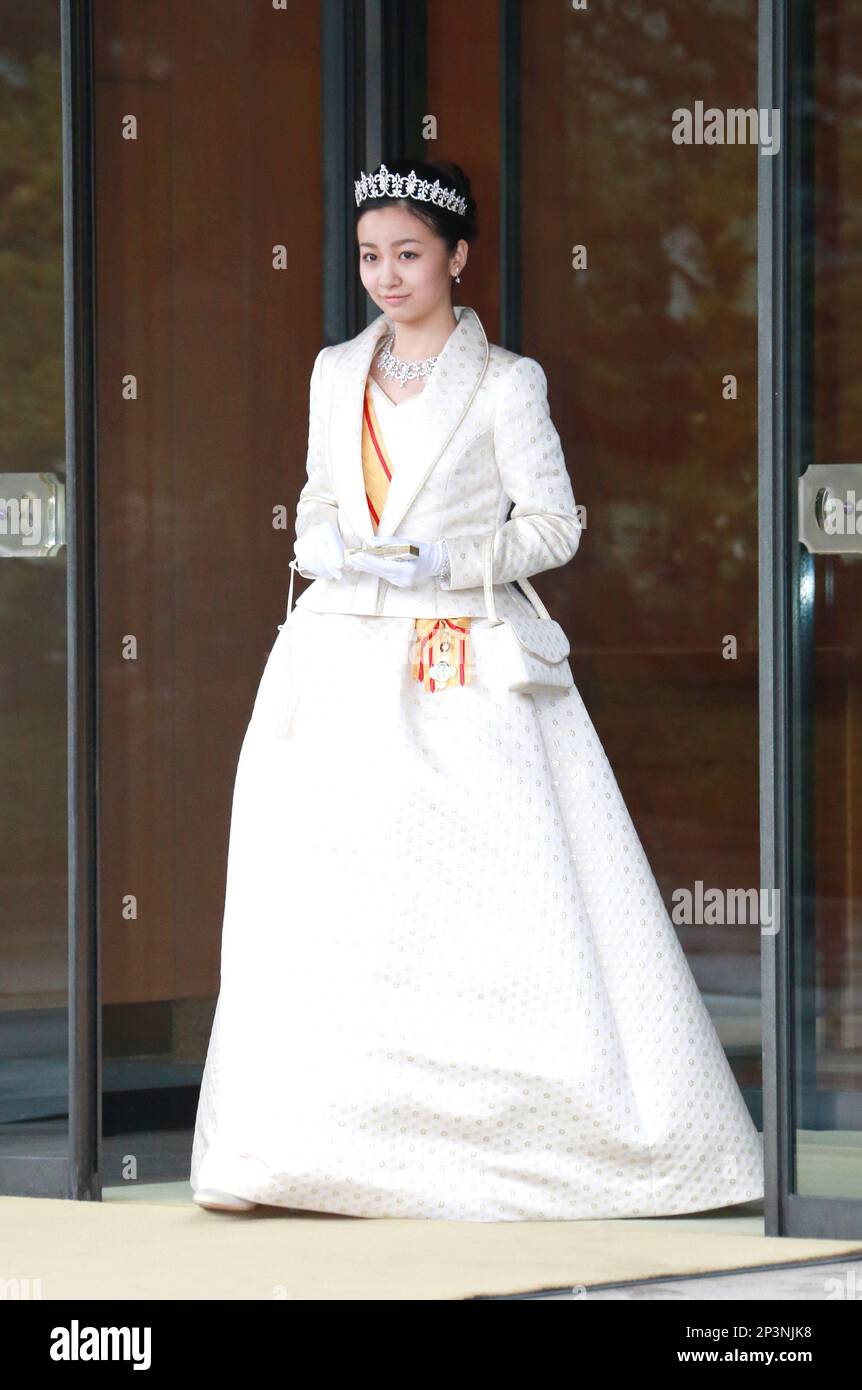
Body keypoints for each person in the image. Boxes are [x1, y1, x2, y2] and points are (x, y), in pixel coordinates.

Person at [190, 159, 764, 1220]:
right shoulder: (332, 373)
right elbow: (314, 499)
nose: (387, 276)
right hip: (339, 654)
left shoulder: (505, 382)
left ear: (457, 257)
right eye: (370, 256)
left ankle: (538, 1140)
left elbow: (555, 526)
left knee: (497, 903)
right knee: (331, 905)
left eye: (409, 254)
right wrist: (336, 547)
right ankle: (315, 1149)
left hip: (457, 660)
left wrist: (441, 562)